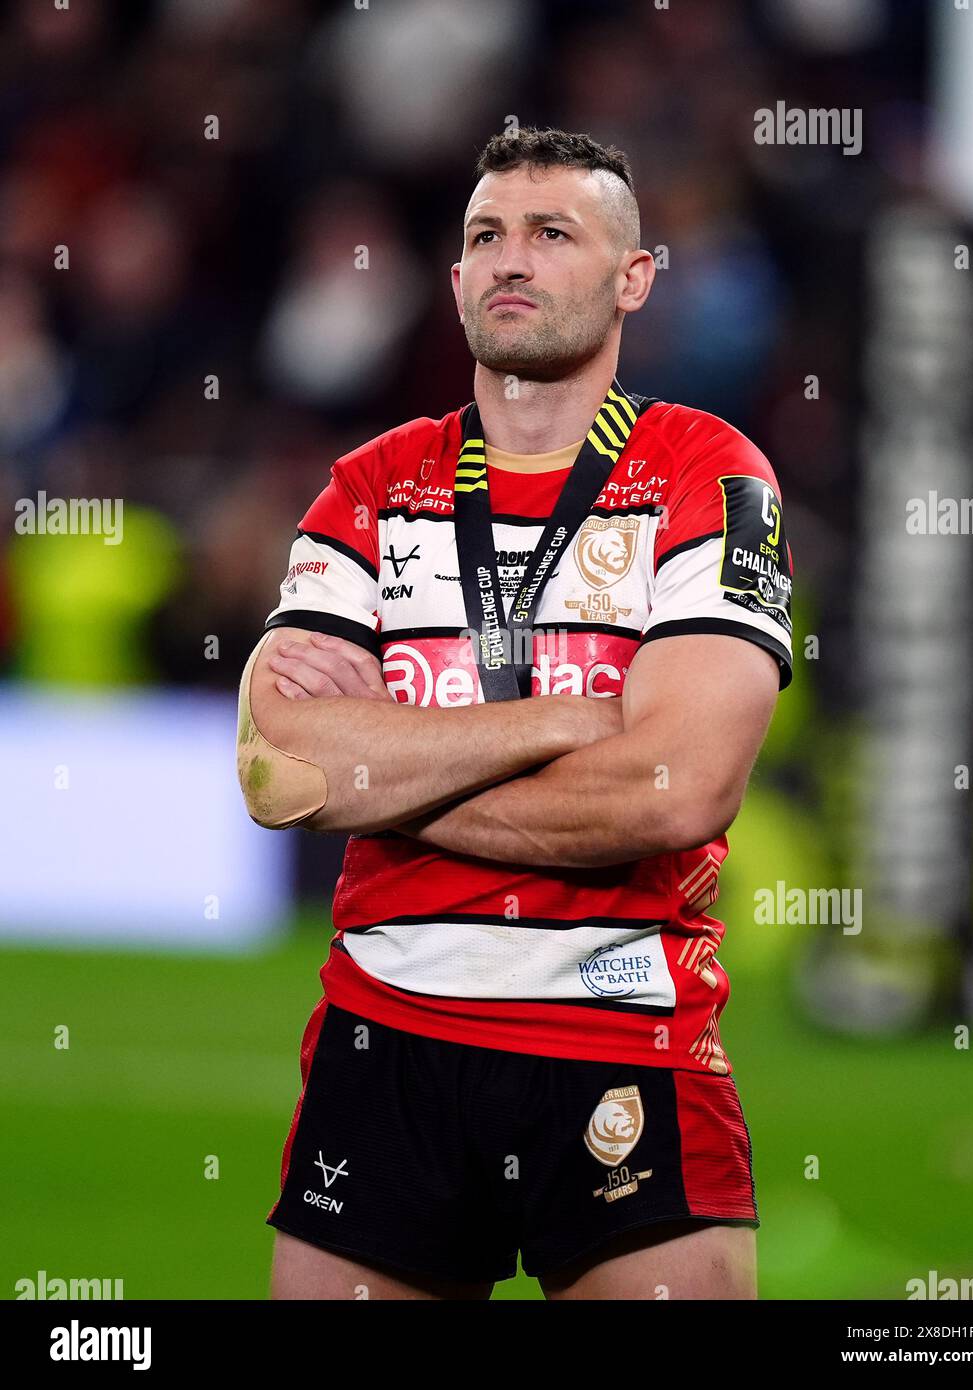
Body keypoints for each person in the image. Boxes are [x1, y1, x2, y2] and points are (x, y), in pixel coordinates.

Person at [237, 127, 794, 1301]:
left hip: (624, 1046)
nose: (512, 260)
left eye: (553, 234)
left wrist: (383, 774)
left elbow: (678, 789)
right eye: (486, 236)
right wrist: (566, 719)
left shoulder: (708, 472)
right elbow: (276, 765)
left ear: (632, 278)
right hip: (382, 1044)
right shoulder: (373, 483)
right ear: (453, 282)